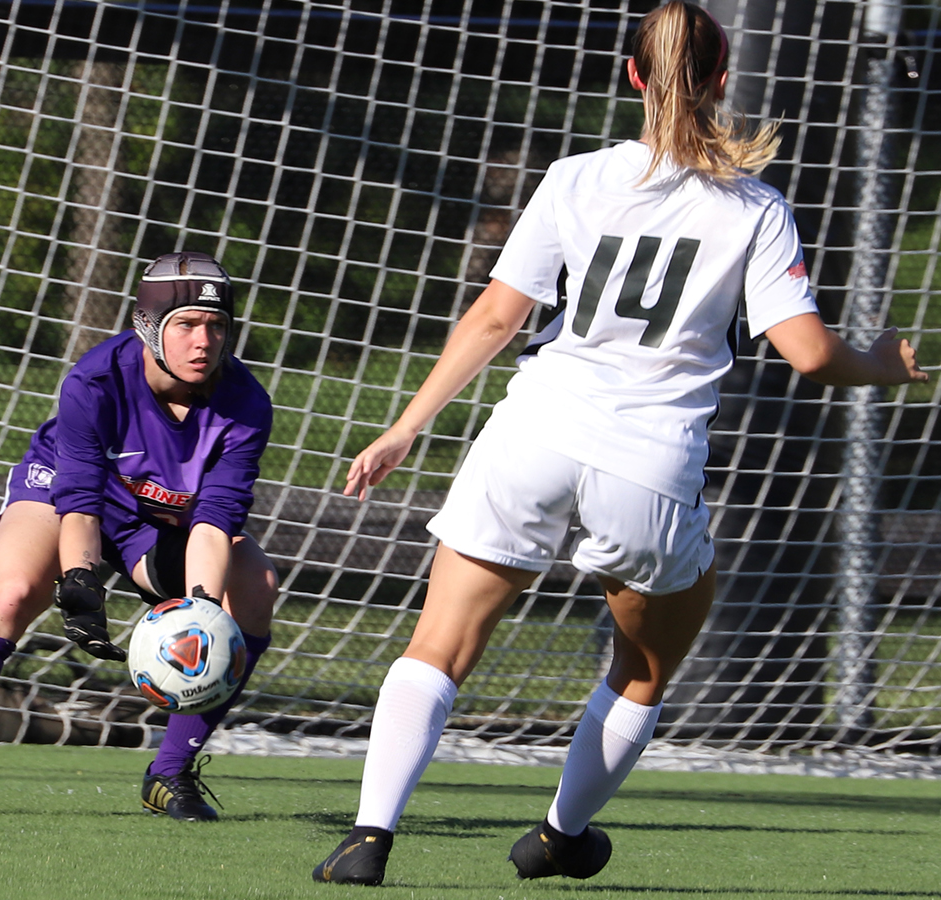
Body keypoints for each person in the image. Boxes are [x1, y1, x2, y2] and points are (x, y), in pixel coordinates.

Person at [312, 1, 928, 886]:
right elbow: (808, 354)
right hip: (648, 460)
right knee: (642, 666)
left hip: (533, 429)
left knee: (438, 645)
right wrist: (885, 364)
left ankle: (369, 837)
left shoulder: (573, 176)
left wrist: (406, 427)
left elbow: (496, 316)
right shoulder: (754, 205)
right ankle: (561, 837)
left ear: (633, 77)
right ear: (723, 81)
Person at [0, 251, 279, 821]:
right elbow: (80, 496)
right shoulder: (94, 380)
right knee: (13, 591)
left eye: (217, 326)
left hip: (155, 522)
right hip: (68, 497)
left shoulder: (247, 404)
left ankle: (169, 774)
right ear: (149, 326)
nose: (204, 341)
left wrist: (204, 615)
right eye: (187, 324)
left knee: (255, 585)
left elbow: (217, 516)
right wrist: (81, 581)